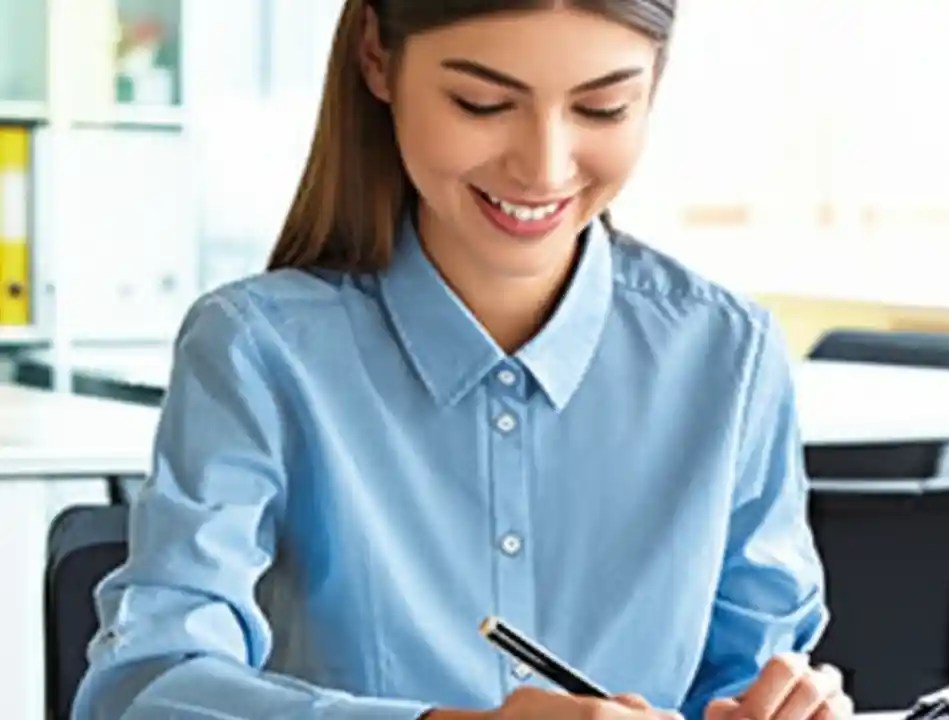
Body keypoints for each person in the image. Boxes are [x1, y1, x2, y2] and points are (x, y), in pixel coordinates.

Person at [73, 1, 854, 718]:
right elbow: (144, 686)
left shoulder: (730, 358)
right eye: (483, 104)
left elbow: (748, 675)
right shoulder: (257, 349)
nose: (544, 169)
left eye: (602, 107)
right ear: (378, 57)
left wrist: (781, 705)